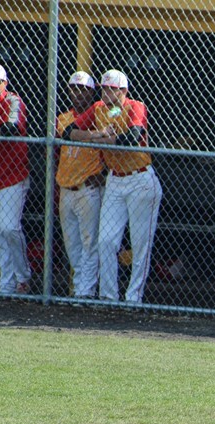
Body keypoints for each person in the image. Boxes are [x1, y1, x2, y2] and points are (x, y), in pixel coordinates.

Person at [65, 69, 163, 304]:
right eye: (104, 88)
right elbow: (69, 132)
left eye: (112, 89)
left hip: (140, 179)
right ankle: (108, 296)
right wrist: (97, 134)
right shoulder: (98, 108)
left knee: (140, 244)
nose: (107, 93)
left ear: (123, 91)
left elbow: (131, 137)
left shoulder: (134, 106)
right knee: (106, 240)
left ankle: (133, 298)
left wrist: (100, 138)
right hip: (115, 180)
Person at [0, 62, 31, 295]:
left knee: (10, 228)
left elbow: (11, 127)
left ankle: (23, 276)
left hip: (12, 176)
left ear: (5, 83)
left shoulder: (13, 100)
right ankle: (7, 284)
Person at [55, 71, 105, 298]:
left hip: (88, 187)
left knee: (89, 241)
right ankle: (79, 286)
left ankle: (86, 290)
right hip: (66, 187)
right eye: (74, 89)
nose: (77, 93)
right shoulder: (63, 118)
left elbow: (112, 141)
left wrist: (104, 174)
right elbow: (58, 149)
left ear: (92, 92)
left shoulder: (101, 114)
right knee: (71, 243)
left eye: (83, 89)